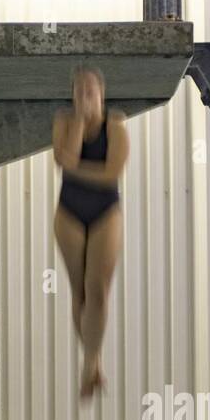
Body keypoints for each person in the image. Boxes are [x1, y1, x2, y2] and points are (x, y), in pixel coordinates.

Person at [52, 67, 129, 401]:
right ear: (72, 95)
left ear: (102, 94)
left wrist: (76, 166)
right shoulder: (64, 121)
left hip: (105, 212)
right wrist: (80, 123)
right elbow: (62, 160)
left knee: (98, 290)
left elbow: (113, 172)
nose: (85, 95)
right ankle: (93, 360)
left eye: (91, 90)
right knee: (79, 291)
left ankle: (90, 362)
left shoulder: (116, 125)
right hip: (69, 211)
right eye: (79, 90)